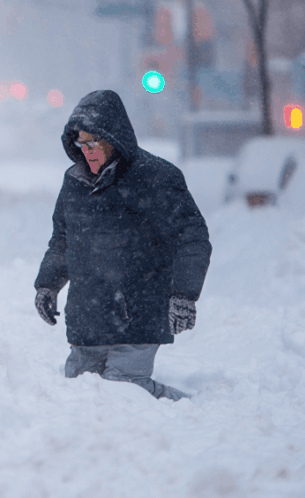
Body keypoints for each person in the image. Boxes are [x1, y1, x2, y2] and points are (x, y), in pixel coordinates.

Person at [34, 90, 211, 401]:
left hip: (138, 311)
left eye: (93, 142)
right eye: (80, 142)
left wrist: (184, 294)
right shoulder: (74, 182)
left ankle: (190, 409)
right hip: (88, 316)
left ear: (113, 139)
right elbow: (62, 239)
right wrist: (47, 285)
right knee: (78, 392)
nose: (86, 150)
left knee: (123, 391)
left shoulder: (156, 177)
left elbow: (191, 236)